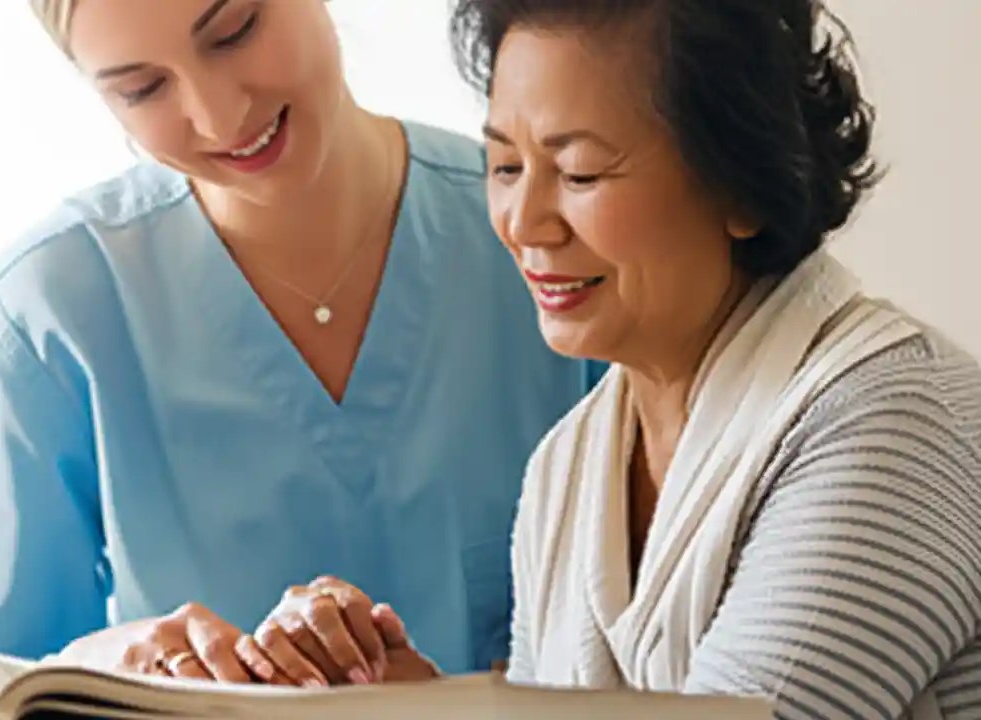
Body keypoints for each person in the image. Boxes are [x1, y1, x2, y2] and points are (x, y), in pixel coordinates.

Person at [248, 0, 981, 715]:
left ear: (743, 182)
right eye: (505, 165)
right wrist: (398, 697)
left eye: (581, 174)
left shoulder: (891, 427)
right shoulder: (569, 468)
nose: (525, 223)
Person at [0, 0, 601, 684]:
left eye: (235, 30)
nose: (218, 117)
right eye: (142, 89)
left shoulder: (551, 244)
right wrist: (102, 660)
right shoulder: (51, 309)